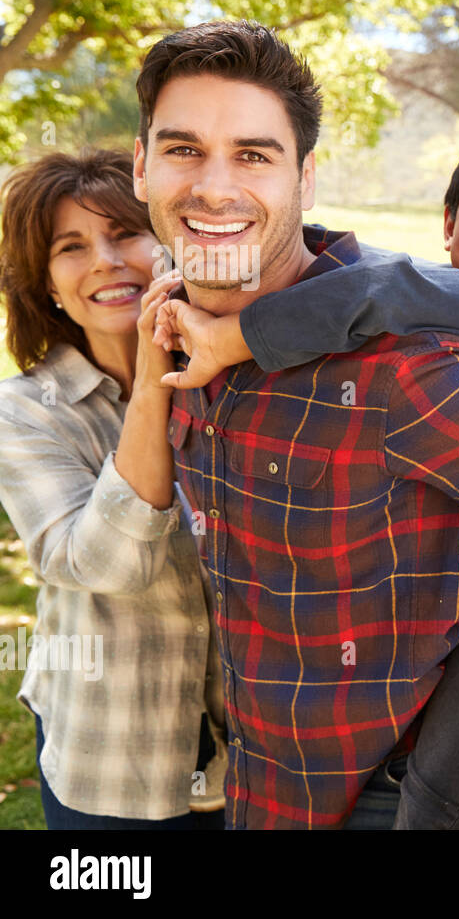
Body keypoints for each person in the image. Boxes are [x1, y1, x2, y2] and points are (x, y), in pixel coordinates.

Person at [130, 20, 459, 829]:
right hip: (258, 782)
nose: (215, 187)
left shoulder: (406, 371)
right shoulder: (172, 318)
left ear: (306, 177)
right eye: (183, 150)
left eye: (253, 154)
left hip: (383, 793)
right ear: (141, 167)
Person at [0, 149, 225, 828]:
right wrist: (155, 370)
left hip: (251, 754)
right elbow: (109, 565)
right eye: (71, 247)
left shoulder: (241, 380)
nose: (105, 259)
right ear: (47, 286)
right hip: (109, 757)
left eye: (126, 232)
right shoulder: (27, 412)